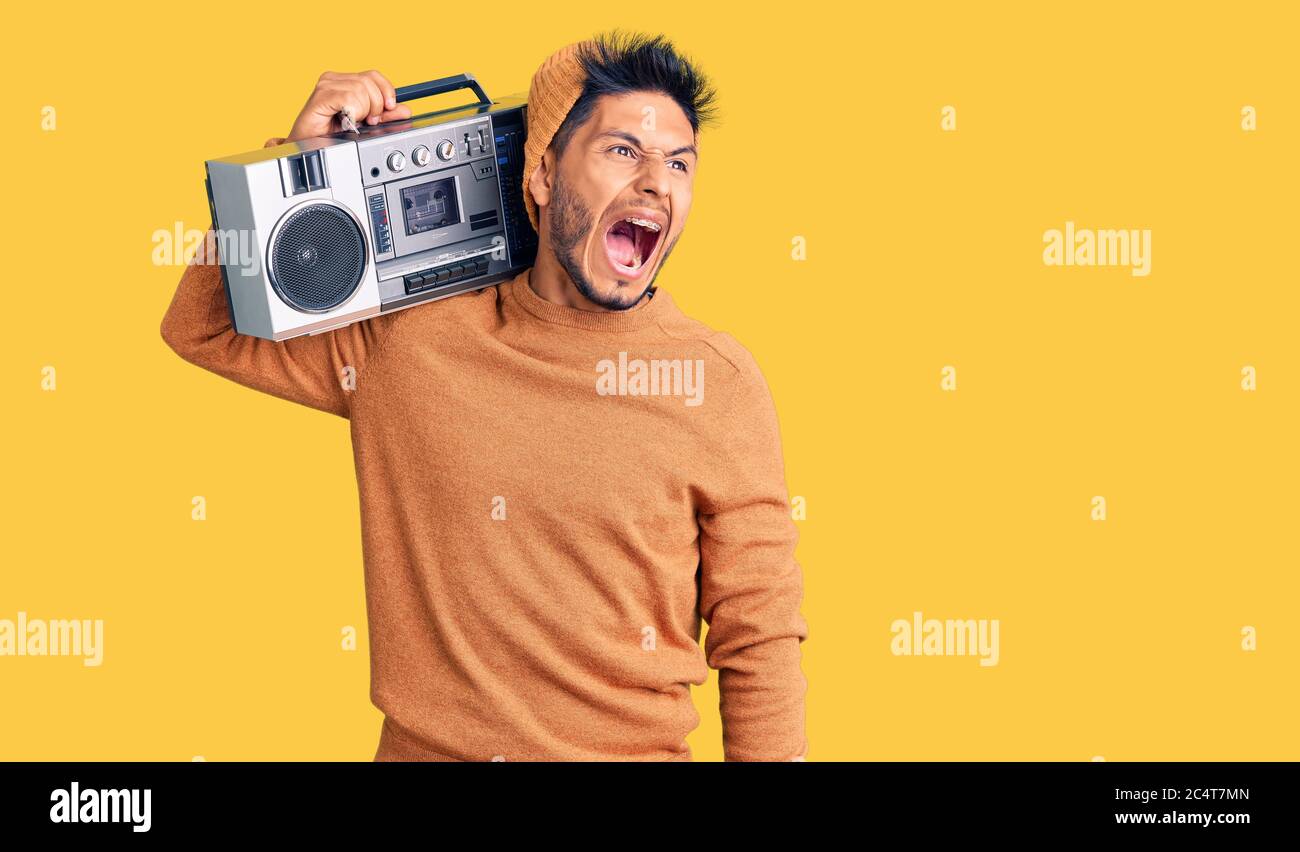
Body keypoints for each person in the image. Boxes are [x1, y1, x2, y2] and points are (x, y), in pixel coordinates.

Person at [160, 30, 809, 761]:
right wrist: (294, 170)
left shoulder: (716, 384)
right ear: (541, 172)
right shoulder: (406, 340)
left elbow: (759, 638)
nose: (658, 180)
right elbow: (202, 328)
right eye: (623, 150)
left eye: (679, 163)